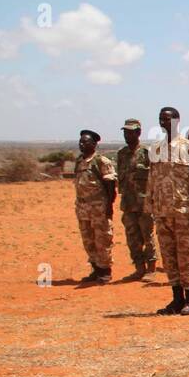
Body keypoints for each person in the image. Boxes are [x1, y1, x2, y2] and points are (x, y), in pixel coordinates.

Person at [145, 107, 189, 314]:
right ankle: (176, 299)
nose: (163, 122)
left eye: (167, 119)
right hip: (162, 212)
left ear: (177, 121)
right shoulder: (156, 149)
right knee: (169, 257)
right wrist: (150, 206)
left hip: (183, 211)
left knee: (186, 255)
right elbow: (152, 179)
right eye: (161, 119)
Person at [72, 128, 116, 283]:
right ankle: (96, 269)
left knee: (102, 239)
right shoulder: (79, 161)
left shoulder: (101, 161)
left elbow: (110, 185)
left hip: (98, 207)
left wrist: (109, 205)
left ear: (94, 144)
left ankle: (105, 271)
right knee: (88, 239)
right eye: (80, 141)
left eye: (85, 141)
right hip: (83, 208)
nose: (81, 144)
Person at [115, 118, 155, 279]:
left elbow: (154, 178)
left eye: (130, 132)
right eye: (125, 132)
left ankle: (151, 269)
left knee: (148, 236)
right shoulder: (121, 154)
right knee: (132, 237)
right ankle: (139, 268)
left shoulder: (147, 153)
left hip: (144, 203)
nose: (127, 135)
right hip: (128, 203)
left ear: (138, 132)